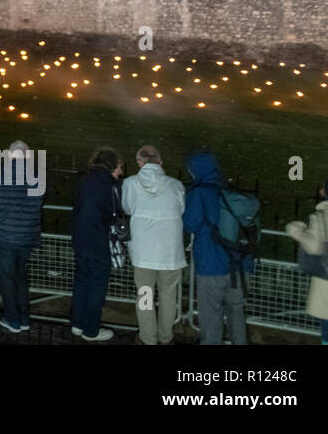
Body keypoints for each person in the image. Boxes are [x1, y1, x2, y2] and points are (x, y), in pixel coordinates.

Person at [184, 152, 252, 345]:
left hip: (211, 264)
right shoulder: (230, 192)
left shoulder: (199, 193)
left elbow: (189, 224)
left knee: (211, 313)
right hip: (240, 264)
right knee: (236, 311)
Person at [121, 144, 186, 345]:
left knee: (145, 294)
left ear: (140, 162)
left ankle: (147, 338)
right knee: (168, 296)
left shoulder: (130, 183)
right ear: (160, 162)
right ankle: (166, 337)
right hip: (170, 251)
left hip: (143, 251)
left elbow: (127, 207)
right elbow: (181, 210)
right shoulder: (175, 185)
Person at [0, 140, 44, 332]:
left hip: (5, 235)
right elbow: (39, 204)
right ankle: (24, 317)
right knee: (21, 277)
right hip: (27, 235)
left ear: (9, 155)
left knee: (7, 278)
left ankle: (13, 319)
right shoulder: (37, 177)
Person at [284, 177, 328, 345]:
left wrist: (295, 230)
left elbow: (314, 247)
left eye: (324, 189)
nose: (321, 192)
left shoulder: (322, 218)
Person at [70, 146, 122, 342]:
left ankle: (77, 323)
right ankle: (91, 330)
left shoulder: (83, 179)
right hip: (99, 240)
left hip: (80, 239)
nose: (121, 171)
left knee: (82, 282)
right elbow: (114, 213)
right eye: (119, 166)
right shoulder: (110, 185)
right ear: (111, 165)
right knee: (97, 286)